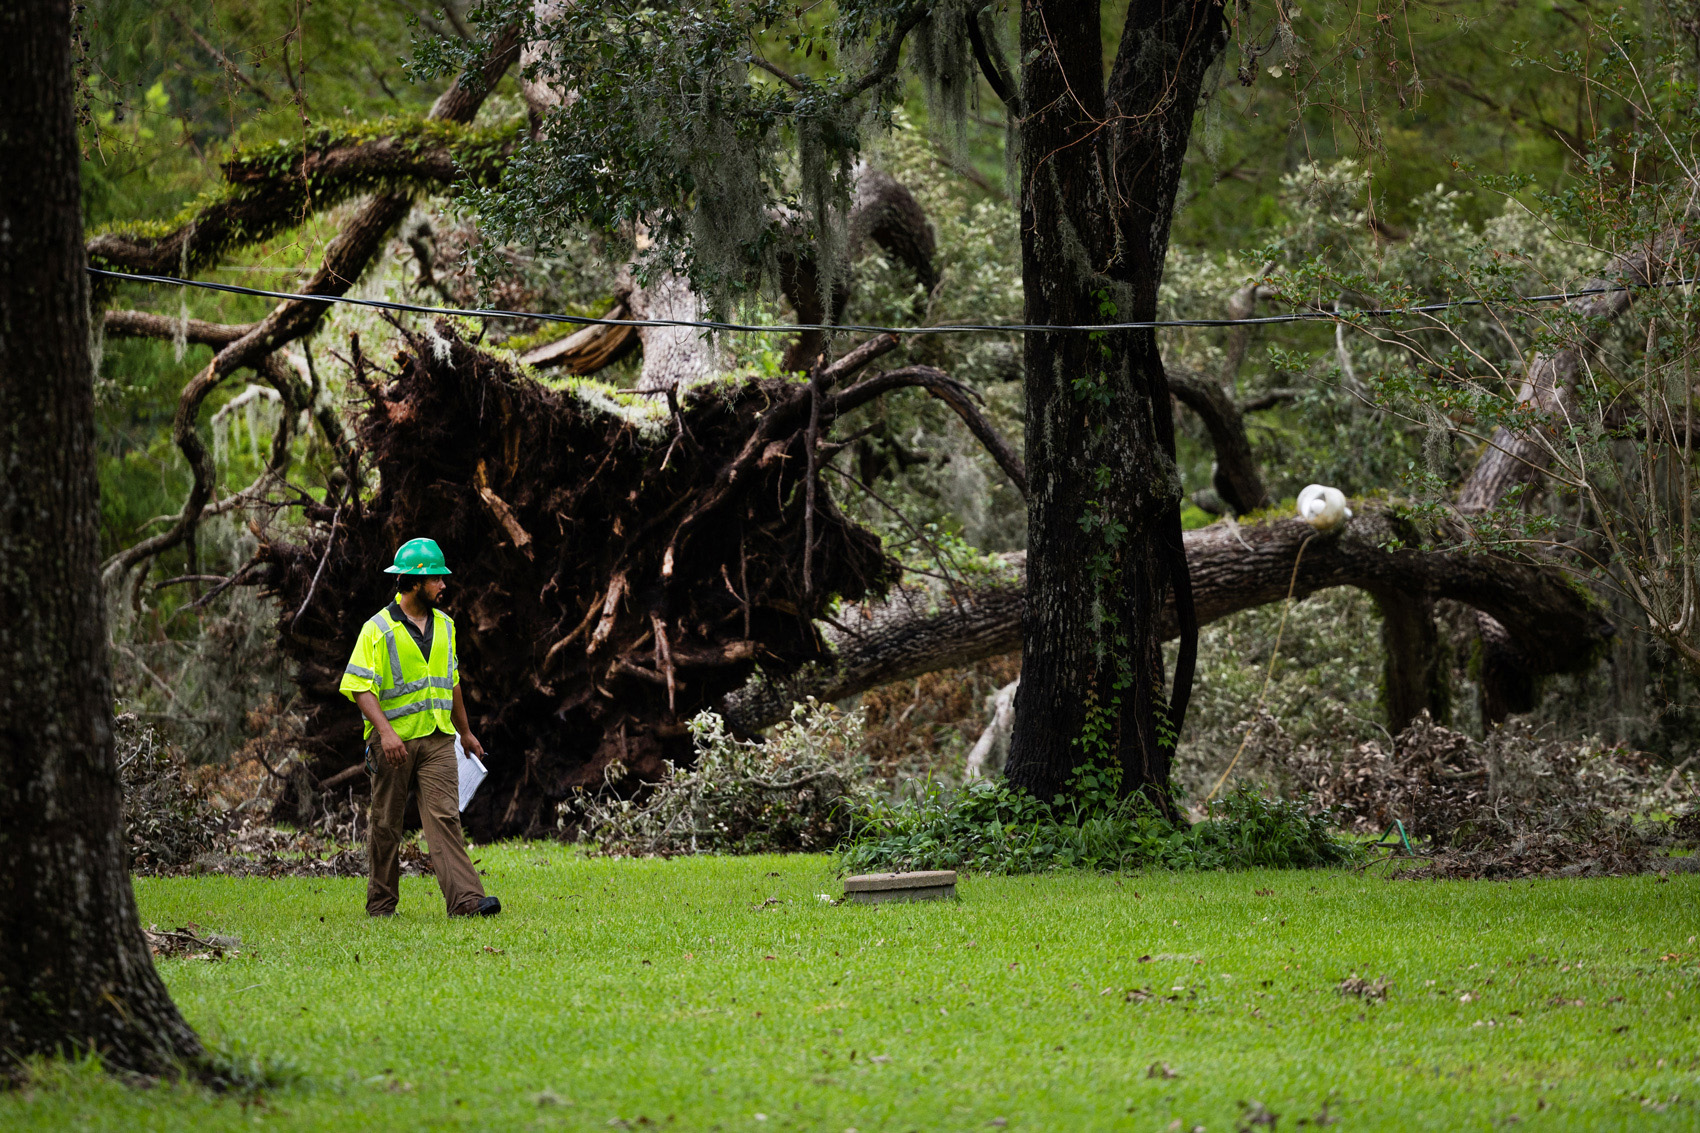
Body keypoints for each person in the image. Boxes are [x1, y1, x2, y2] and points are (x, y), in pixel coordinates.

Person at [339, 537, 501, 918]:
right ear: (414, 582)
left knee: (445, 818)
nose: (444, 585)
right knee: (386, 825)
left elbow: (452, 681)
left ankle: (465, 901)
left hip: (439, 739)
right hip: (393, 744)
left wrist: (465, 732)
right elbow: (359, 686)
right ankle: (381, 905)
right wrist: (386, 733)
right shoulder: (377, 629)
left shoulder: (445, 625)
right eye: (436, 579)